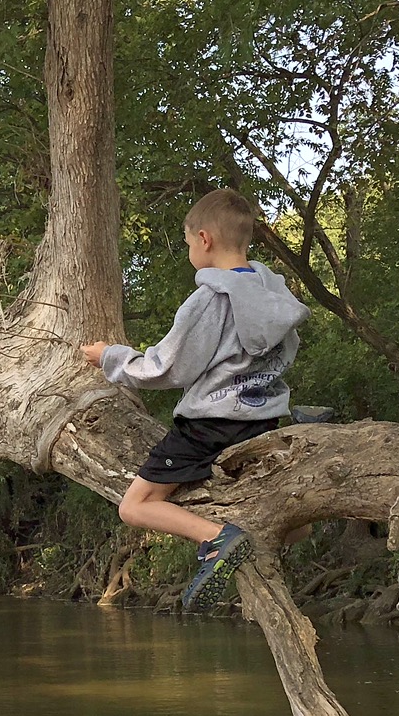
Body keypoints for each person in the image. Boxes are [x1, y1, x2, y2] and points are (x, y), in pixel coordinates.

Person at [80, 187, 309, 613]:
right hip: (263, 421)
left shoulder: (211, 299)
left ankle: (216, 539)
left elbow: (168, 368)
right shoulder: (275, 298)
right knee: (276, 511)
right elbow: (284, 354)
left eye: (187, 242)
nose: (189, 250)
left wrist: (109, 357)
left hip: (208, 428)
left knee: (134, 507)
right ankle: (288, 523)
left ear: (203, 239)